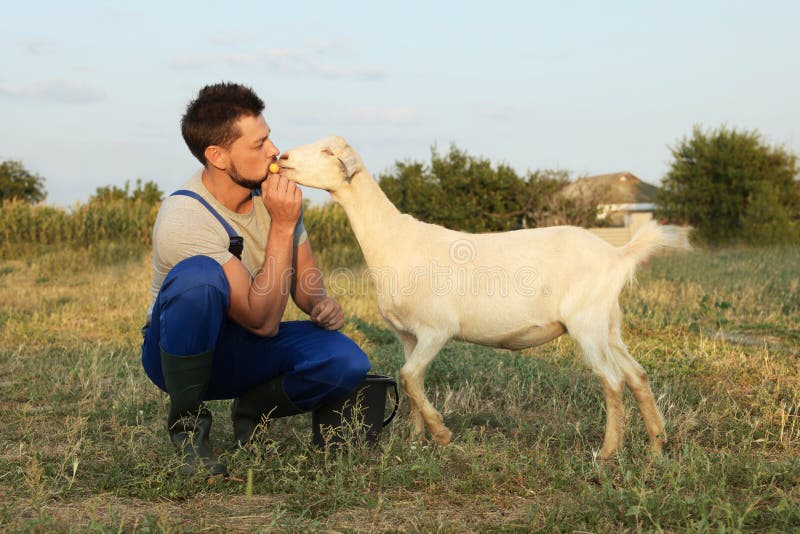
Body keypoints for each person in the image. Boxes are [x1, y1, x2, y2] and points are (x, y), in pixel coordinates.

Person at [141, 82, 371, 477]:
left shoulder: (274, 197)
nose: (273, 150)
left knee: (347, 361)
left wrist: (319, 303)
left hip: (245, 346)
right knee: (198, 278)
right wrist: (282, 225)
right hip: (179, 354)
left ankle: (253, 410)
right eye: (259, 143)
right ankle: (189, 433)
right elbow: (263, 321)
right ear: (217, 156)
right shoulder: (185, 218)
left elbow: (305, 281)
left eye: (269, 137)